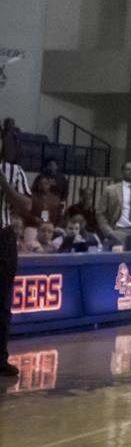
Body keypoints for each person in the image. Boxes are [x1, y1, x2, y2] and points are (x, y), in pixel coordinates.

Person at [2, 131, 33, 378]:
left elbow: (26, 205)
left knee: (2, 302)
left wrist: (3, 181)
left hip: (2, 237)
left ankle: (0, 359)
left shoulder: (14, 172)